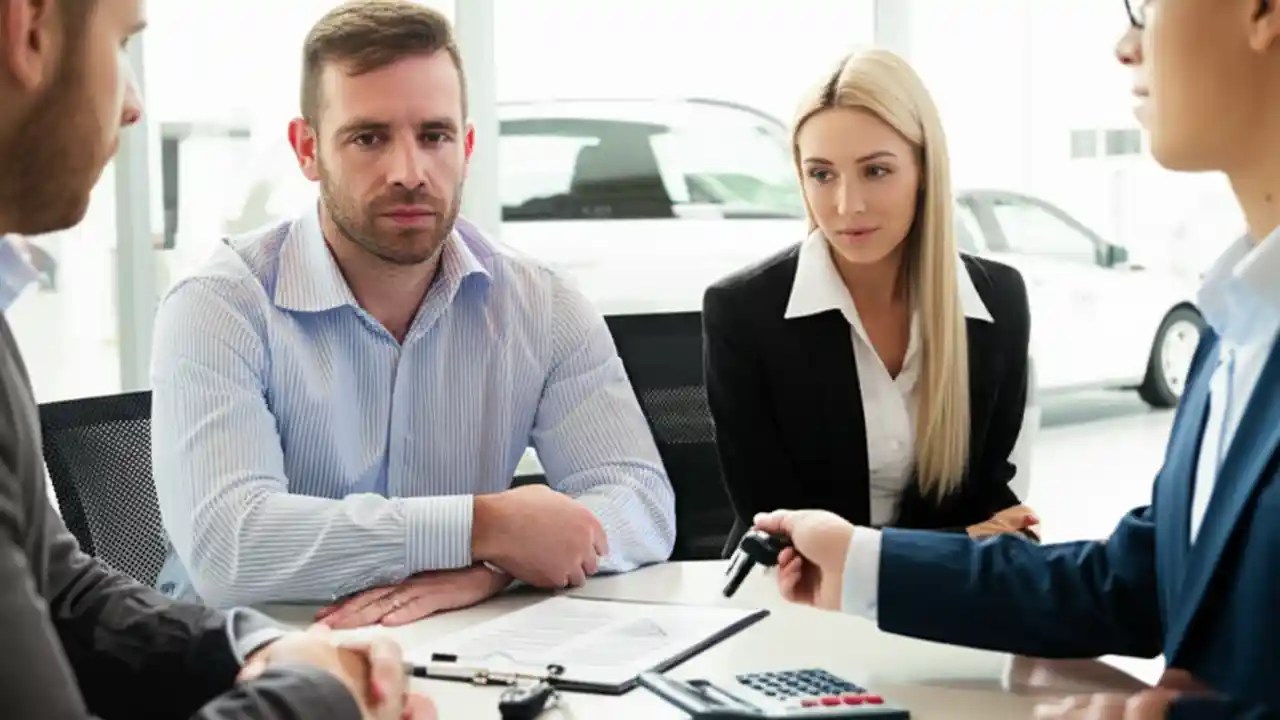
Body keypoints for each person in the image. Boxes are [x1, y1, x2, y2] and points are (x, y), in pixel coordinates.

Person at [752, 1, 1280, 717]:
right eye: (821, 174)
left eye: (1148, 6)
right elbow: (1134, 584)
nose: (1127, 46)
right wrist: (861, 559)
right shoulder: (1237, 321)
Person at [150, 0, 676, 626]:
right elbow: (228, 544)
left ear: (468, 145)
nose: (409, 172)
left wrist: (494, 565)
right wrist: (485, 525)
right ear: (308, 149)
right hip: (251, 657)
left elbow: (642, 501)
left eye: (435, 136)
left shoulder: (542, 303)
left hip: (452, 648)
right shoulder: (220, 305)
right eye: (369, 138)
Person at [0, 0, 433, 718]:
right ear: (28, 26)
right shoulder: (222, 297)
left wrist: (259, 652)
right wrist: (324, 698)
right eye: (121, 46)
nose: (133, 103)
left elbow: (59, 590)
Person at [704, 48, 1040, 554]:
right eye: (822, 174)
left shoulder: (998, 302)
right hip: (796, 601)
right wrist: (962, 541)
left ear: (924, 168)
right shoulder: (744, 312)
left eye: (876, 171)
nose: (847, 205)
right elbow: (780, 530)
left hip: (940, 602)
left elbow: (990, 499)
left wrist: (972, 539)